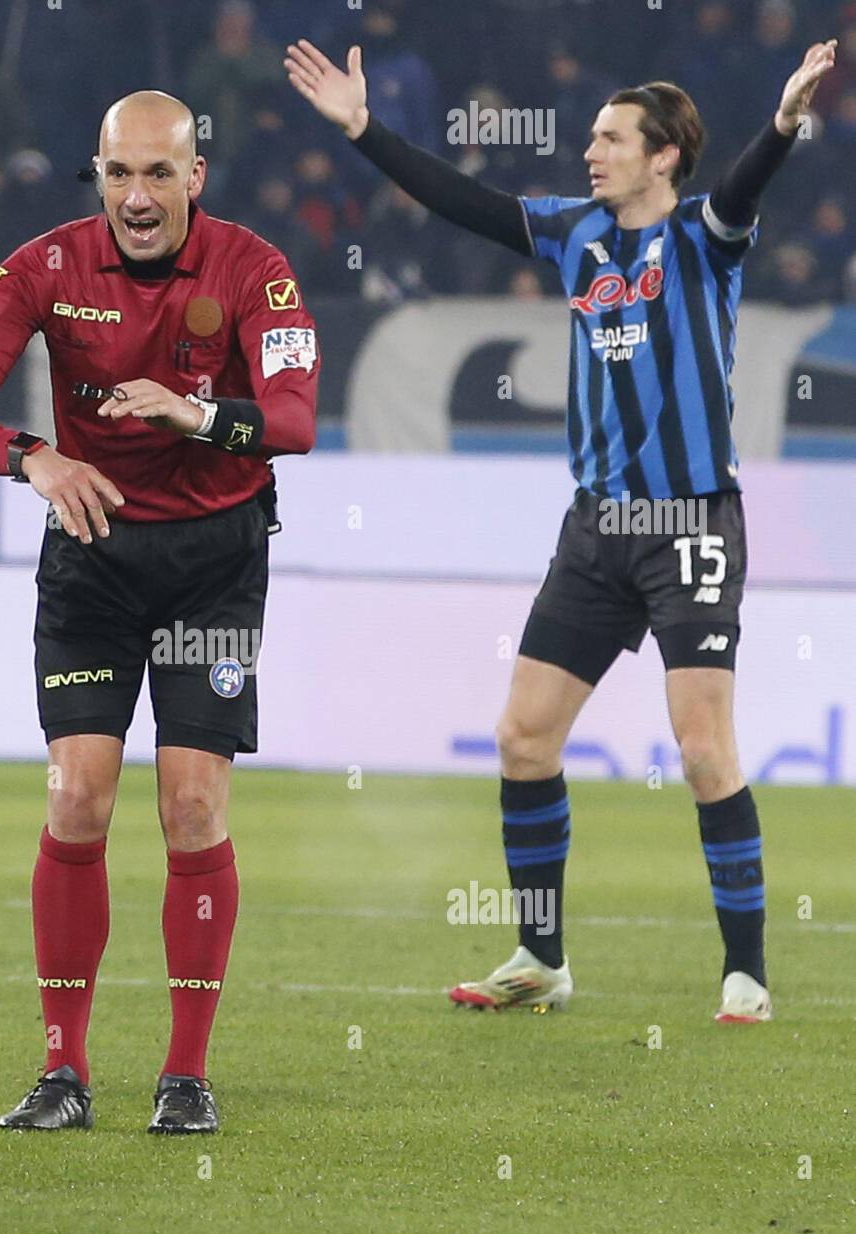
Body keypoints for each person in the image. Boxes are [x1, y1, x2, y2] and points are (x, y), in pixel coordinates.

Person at [286, 35, 838, 1024]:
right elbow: (463, 201)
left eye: (613, 139)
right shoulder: (571, 232)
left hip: (689, 521)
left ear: (663, 155)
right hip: (595, 528)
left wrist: (784, 121)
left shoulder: (704, 236)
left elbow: (746, 186)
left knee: (704, 748)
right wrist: (367, 131)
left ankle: (744, 972)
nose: (592, 151)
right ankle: (541, 956)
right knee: (523, 738)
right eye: (590, 137)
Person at [0, 89, 318, 1133]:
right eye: (116, 173)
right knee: (76, 800)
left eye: (156, 173)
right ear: (95, 176)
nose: (135, 196)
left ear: (196, 176)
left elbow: (293, 419)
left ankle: (185, 1074)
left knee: (190, 807)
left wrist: (196, 414)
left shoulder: (254, 269)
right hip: (91, 556)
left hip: (213, 564)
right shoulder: (42, 268)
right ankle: (63, 1072)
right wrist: (31, 456)